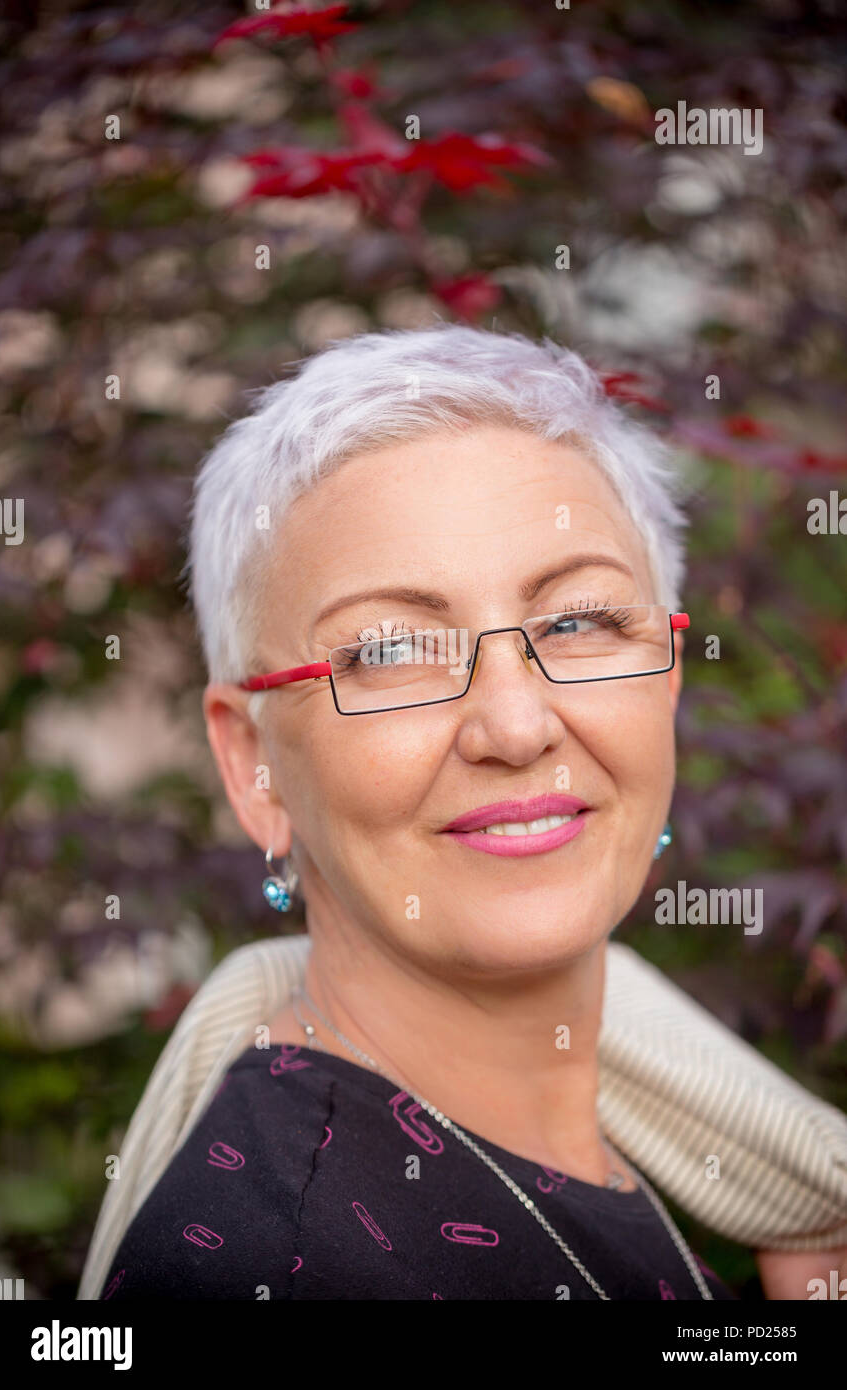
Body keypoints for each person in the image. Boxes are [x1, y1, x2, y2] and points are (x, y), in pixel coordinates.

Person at [92, 324, 847, 1300]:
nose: (516, 726)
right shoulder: (270, 1271)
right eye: (390, 650)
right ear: (253, 764)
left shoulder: (741, 1163)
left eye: (577, 621)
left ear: (665, 684)